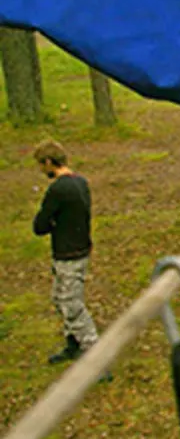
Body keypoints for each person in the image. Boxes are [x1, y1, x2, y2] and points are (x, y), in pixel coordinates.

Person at [32, 139, 99, 366]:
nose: (42, 171)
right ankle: (74, 344)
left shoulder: (58, 189)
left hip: (67, 252)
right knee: (60, 298)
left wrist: (50, 223)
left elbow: (40, 225)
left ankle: (96, 356)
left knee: (71, 304)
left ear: (49, 162)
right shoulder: (81, 182)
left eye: (42, 166)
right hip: (80, 248)